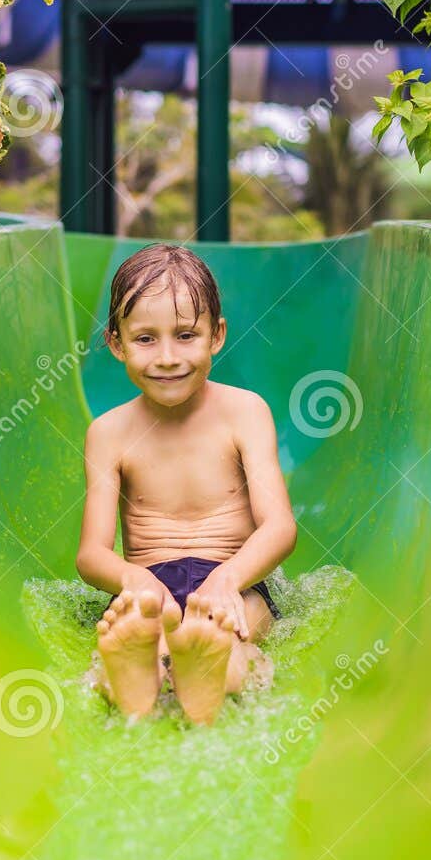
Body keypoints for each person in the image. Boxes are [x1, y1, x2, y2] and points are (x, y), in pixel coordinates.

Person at [75, 243, 297, 724]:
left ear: (216, 335)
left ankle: (200, 670)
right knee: (139, 631)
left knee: (237, 629)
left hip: (234, 581)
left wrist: (228, 579)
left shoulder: (245, 413)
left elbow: (278, 525)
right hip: (145, 588)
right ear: (116, 343)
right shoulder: (108, 433)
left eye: (185, 335)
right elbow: (91, 554)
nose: (168, 357)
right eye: (146, 339)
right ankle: (144, 680)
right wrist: (134, 580)